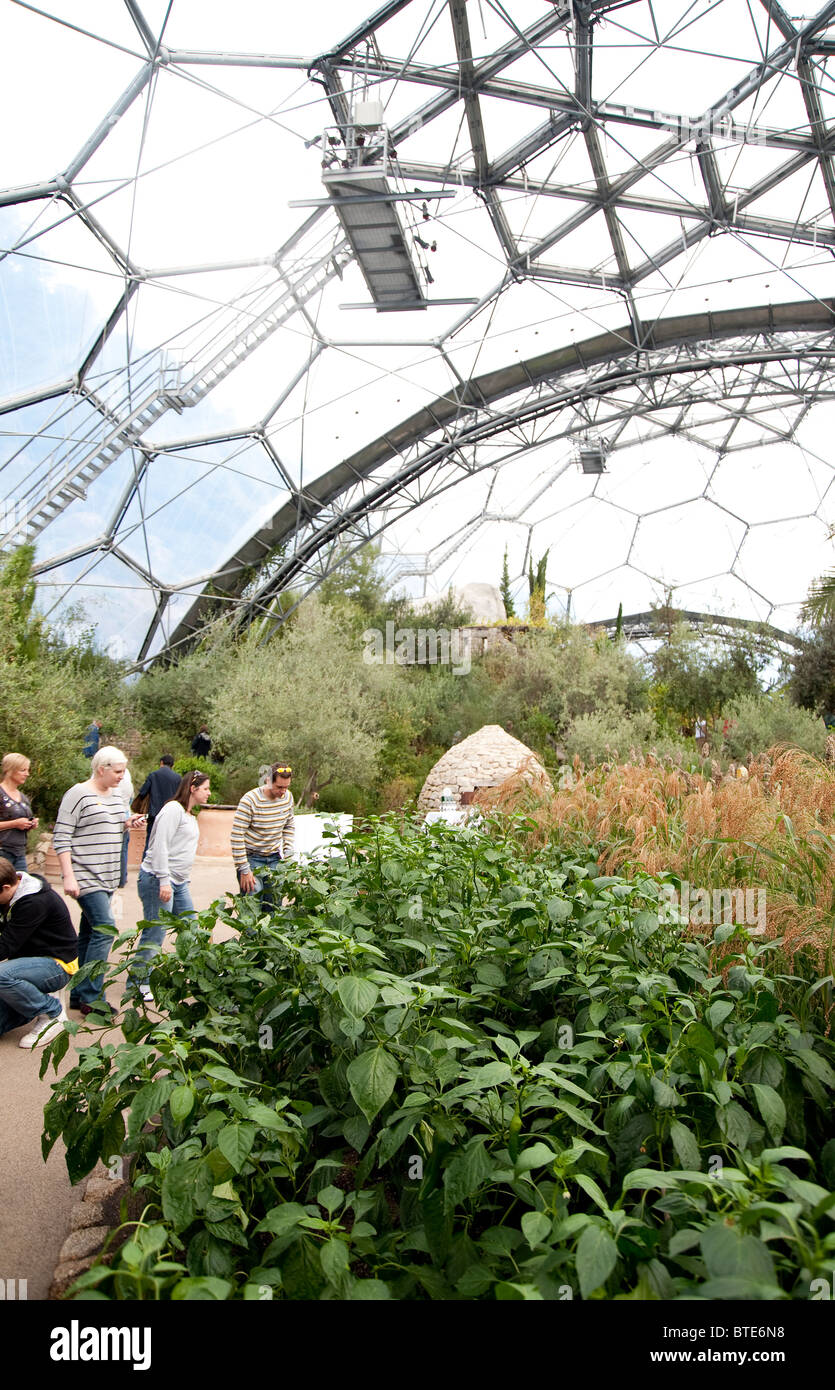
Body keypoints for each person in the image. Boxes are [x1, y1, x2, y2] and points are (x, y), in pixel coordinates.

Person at [52, 746, 146, 1018]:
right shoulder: (77, 794)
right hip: (84, 875)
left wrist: (131, 822)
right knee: (105, 929)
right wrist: (68, 875)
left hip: (107, 876)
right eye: (117, 771)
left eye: (123, 770)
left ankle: (78, 993)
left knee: (90, 933)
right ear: (101, 769)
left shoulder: (117, 795)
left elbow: (118, 821)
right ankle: (93, 999)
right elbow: (62, 836)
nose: (122, 776)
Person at [127, 770, 211, 1004]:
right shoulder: (172, 809)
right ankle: (139, 982)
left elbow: (180, 851)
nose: (209, 792)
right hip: (158, 880)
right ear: (193, 788)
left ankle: (201, 974)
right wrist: (164, 880)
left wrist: (181, 879)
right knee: (155, 931)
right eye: (206, 788)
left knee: (192, 927)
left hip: (179, 882)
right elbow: (160, 846)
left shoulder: (189, 815)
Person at [0, 858, 78, 1048]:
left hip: (57, 965)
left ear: (5, 887)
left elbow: (5, 946)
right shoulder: (11, 894)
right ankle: (30, 1002)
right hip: (25, 964)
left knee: (0, 975)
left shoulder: (33, 902)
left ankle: (52, 1013)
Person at [231, 763, 295, 907]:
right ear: (268, 781)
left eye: (286, 787)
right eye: (279, 787)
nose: (283, 791)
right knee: (252, 908)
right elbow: (236, 836)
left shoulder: (287, 798)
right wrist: (244, 869)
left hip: (274, 858)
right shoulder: (250, 800)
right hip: (252, 859)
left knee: (274, 906)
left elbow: (289, 825)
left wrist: (288, 852)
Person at [0, 753, 38, 872]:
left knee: (22, 888)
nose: (27, 774)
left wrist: (30, 824)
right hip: (2, 852)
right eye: (23, 770)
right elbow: (15, 823)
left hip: (20, 853)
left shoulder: (23, 797)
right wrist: (14, 823)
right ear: (10, 770)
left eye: (27, 770)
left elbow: (21, 823)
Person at [136, 754, 181, 850]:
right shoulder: (177, 778)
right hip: (170, 814)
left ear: (161, 763)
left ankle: (145, 864)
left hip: (154, 813)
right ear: (173, 765)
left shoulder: (153, 775)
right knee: (167, 843)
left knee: (150, 841)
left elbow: (143, 792)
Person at [117, 761, 134, 889]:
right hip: (126, 811)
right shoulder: (127, 775)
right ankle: (122, 878)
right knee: (123, 849)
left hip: (117, 814)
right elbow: (131, 798)